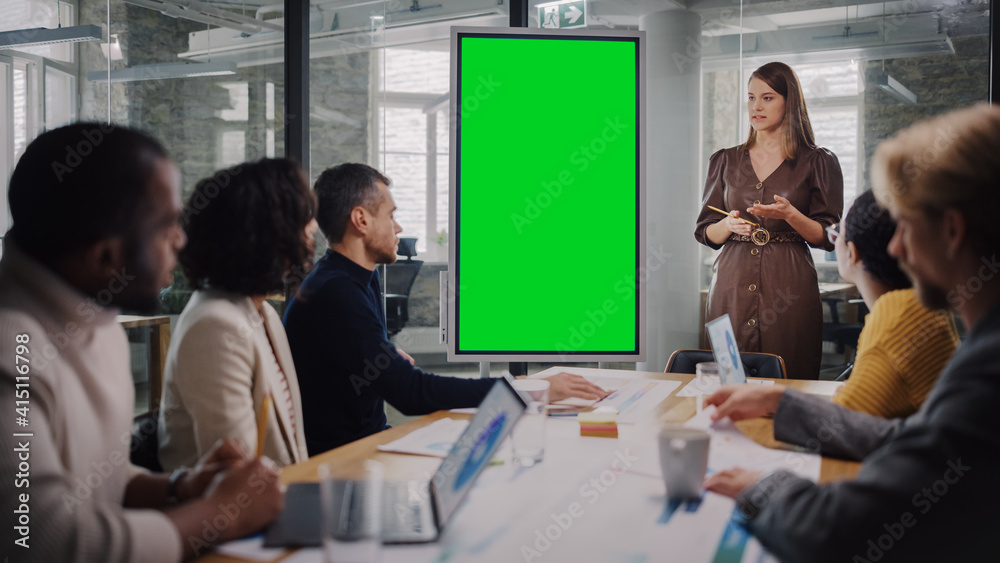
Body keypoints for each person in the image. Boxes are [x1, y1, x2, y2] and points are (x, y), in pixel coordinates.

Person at [703, 104, 1000, 561]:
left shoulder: (986, 371)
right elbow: (909, 438)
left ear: (953, 231)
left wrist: (764, 486)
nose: (896, 247)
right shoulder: (983, 349)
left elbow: (841, 530)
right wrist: (782, 403)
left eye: (905, 225)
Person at [0, 123, 283, 562]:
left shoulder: (97, 319)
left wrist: (182, 486)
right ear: (105, 257)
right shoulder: (11, 353)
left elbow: (99, 481)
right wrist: (219, 512)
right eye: (167, 224)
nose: (181, 239)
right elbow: (39, 540)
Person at [283, 163, 609, 455]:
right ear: (361, 219)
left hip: (368, 443)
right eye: (391, 215)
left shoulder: (353, 278)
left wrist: (382, 354)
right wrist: (529, 388)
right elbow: (410, 393)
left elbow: (355, 359)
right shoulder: (336, 290)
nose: (398, 229)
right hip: (342, 464)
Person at [158, 158, 316, 470]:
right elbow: (238, 475)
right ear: (264, 233)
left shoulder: (263, 313)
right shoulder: (214, 324)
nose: (312, 230)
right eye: (301, 219)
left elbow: (291, 448)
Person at [695, 61, 843, 380]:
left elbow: (829, 236)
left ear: (790, 102)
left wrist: (790, 214)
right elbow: (705, 230)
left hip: (790, 283)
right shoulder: (724, 160)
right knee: (726, 378)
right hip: (730, 284)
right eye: (751, 97)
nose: (756, 106)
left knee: (790, 374)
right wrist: (729, 226)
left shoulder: (818, 162)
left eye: (768, 97)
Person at [828, 190, 958, 418]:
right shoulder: (920, 304)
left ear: (852, 253)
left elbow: (841, 423)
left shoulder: (896, 318)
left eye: (837, 233)